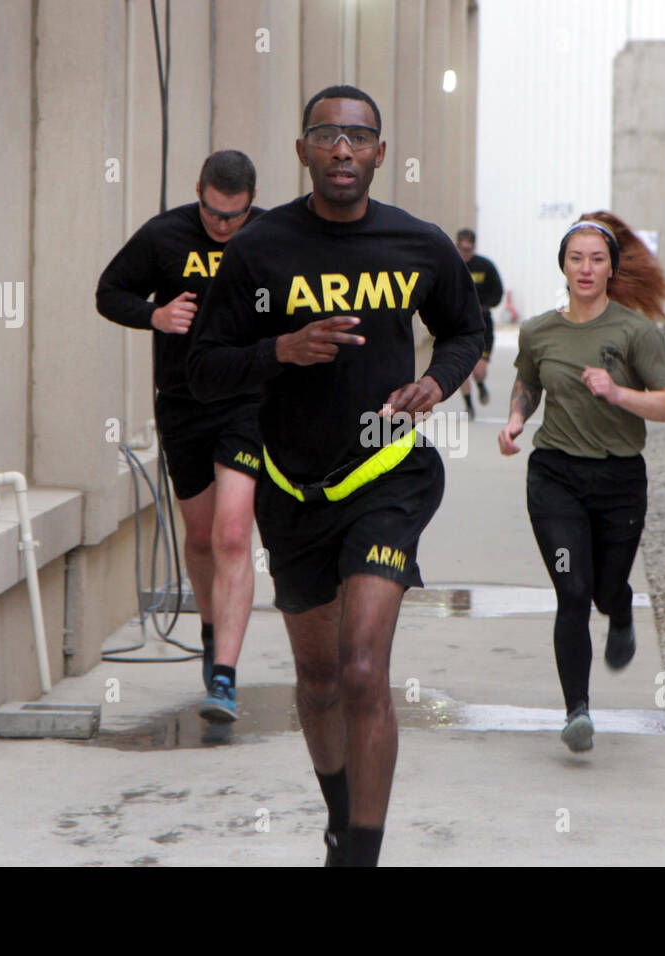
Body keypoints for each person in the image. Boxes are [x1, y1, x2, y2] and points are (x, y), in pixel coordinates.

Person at [188, 85, 482, 865]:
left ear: (381, 152)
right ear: (303, 150)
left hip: (387, 478)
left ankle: (362, 853)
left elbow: (466, 327)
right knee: (317, 679)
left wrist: (438, 383)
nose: (343, 150)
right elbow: (204, 368)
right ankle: (339, 817)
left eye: (358, 138)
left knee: (360, 667)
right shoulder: (260, 250)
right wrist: (278, 351)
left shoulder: (416, 245)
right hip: (294, 488)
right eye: (327, 135)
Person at [498, 212, 665, 753]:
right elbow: (527, 384)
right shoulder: (538, 331)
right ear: (564, 264)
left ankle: (620, 610)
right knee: (572, 591)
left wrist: (619, 393)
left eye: (596, 259)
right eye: (576, 258)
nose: (585, 268)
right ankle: (577, 709)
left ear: (610, 268)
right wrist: (514, 421)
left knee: (604, 590)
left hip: (619, 477)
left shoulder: (635, 332)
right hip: (555, 474)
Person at [96, 150, 264, 724]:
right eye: (213, 214)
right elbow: (108, 292)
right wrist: (155, 316)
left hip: (246, 401)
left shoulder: (269, 235)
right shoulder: (163, 235)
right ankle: (212, 630)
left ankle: (225, 675)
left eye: (233, 216)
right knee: (200, 537)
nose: (222, 227)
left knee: (234, 533)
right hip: (183, 404)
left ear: (250, 203)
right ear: (199, 193)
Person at [454, 228, 503, 419]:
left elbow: (497, 292)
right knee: (461, 369)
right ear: (457, 246)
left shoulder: (485, 267)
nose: (465, 253)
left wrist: (486, 305)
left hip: (482, 326)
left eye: (469, 249)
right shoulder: (450, 265)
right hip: (457, 326)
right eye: (462, 249)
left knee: (478, 370)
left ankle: (481, 385)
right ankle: (469, 406)